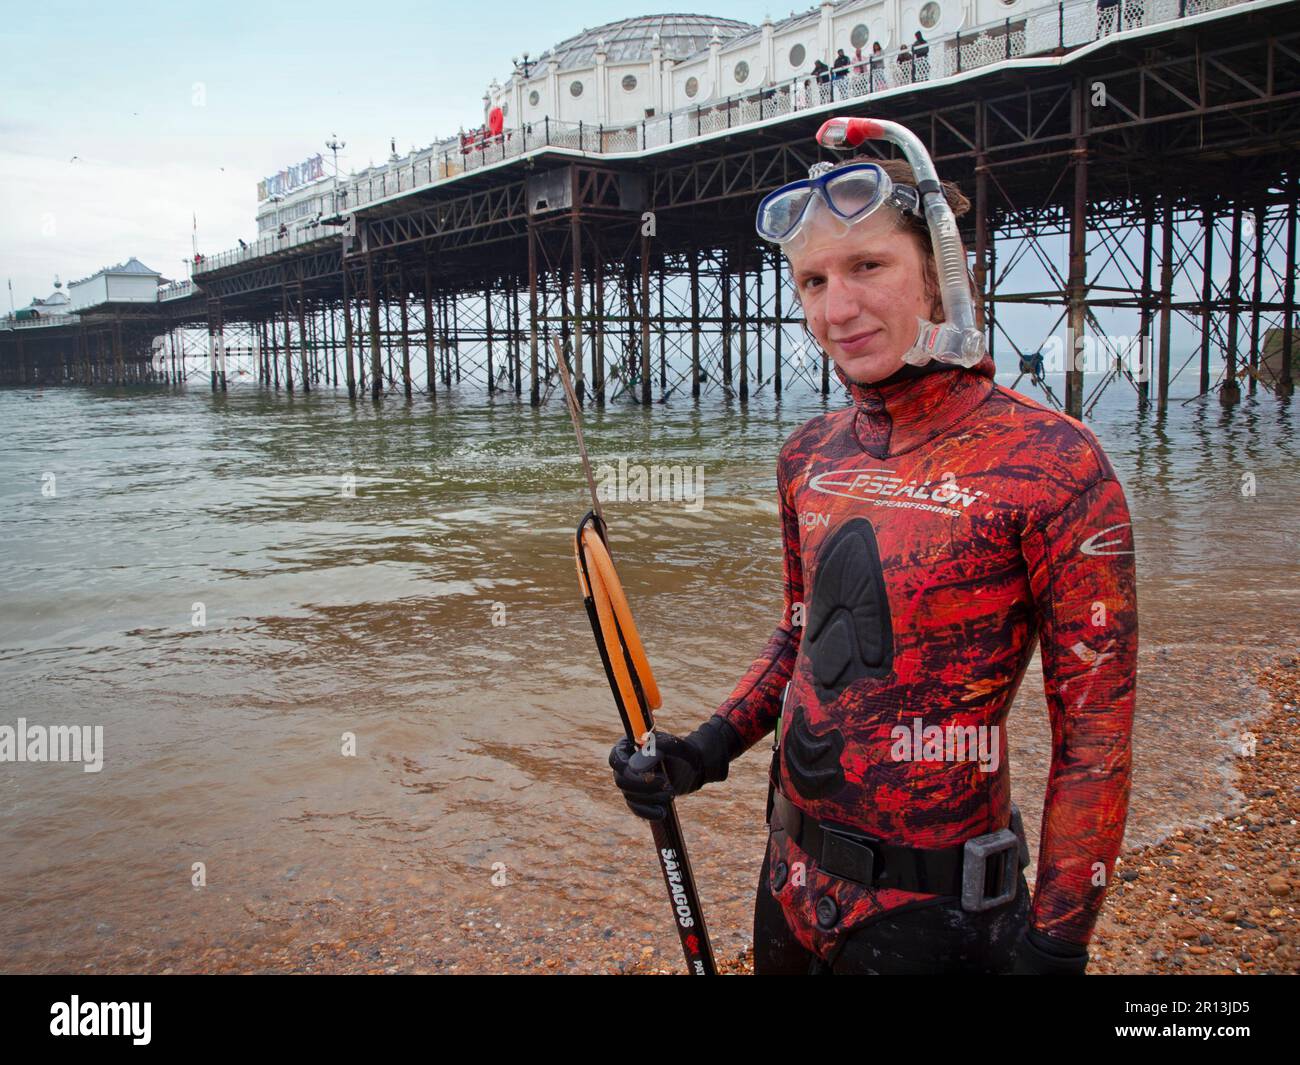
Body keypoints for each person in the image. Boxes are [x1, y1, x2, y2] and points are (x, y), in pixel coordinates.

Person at [610, 120, 1137, 975]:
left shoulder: (1052, 463)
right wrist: (701, 750)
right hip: (788, 876)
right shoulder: (809, 456)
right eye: (812, 280)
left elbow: (1096, 731)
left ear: (939, 275)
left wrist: (1058, 936)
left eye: (867, 267)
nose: (836, 309)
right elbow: (800, 637)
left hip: (937, 911)